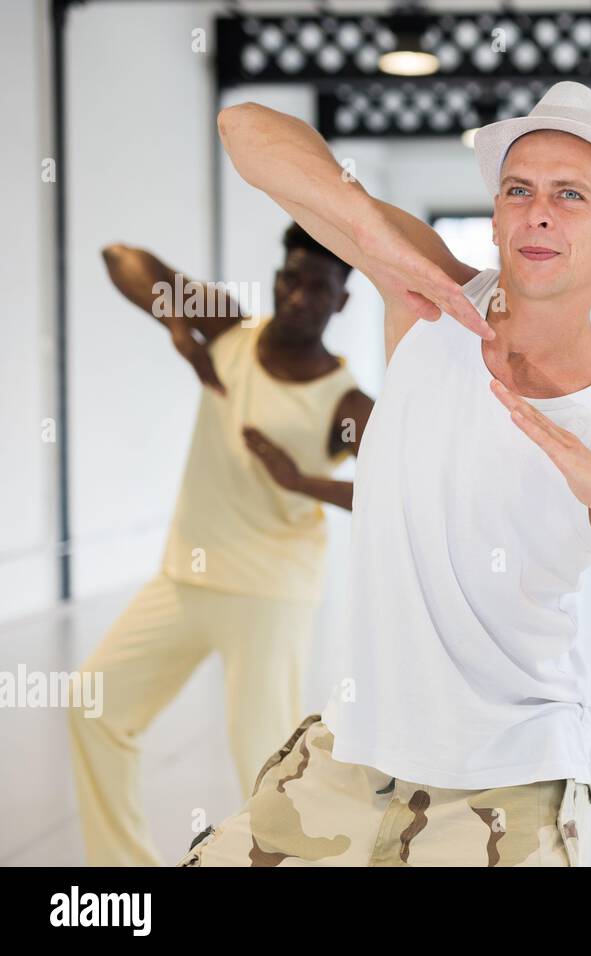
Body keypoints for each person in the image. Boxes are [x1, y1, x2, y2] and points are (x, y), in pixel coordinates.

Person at [179, 80, 591, 867]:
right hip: (353, 742)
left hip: (508, 777)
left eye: (571, 195)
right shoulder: (427, 289)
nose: (538, 213)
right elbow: (243, 126)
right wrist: (373, 236)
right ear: (496, 211)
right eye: (518, 190)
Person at [69, 226, 373, 866]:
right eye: (291, 277)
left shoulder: (344, 401)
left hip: (269, 593)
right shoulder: (229, 331)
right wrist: (178, 324)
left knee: (266, 768)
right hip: (184, 577)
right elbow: (122, 256)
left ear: (341, 302)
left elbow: (394, 490)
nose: (298, 296)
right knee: (95, 706)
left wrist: (302, 480)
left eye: (319, 286)